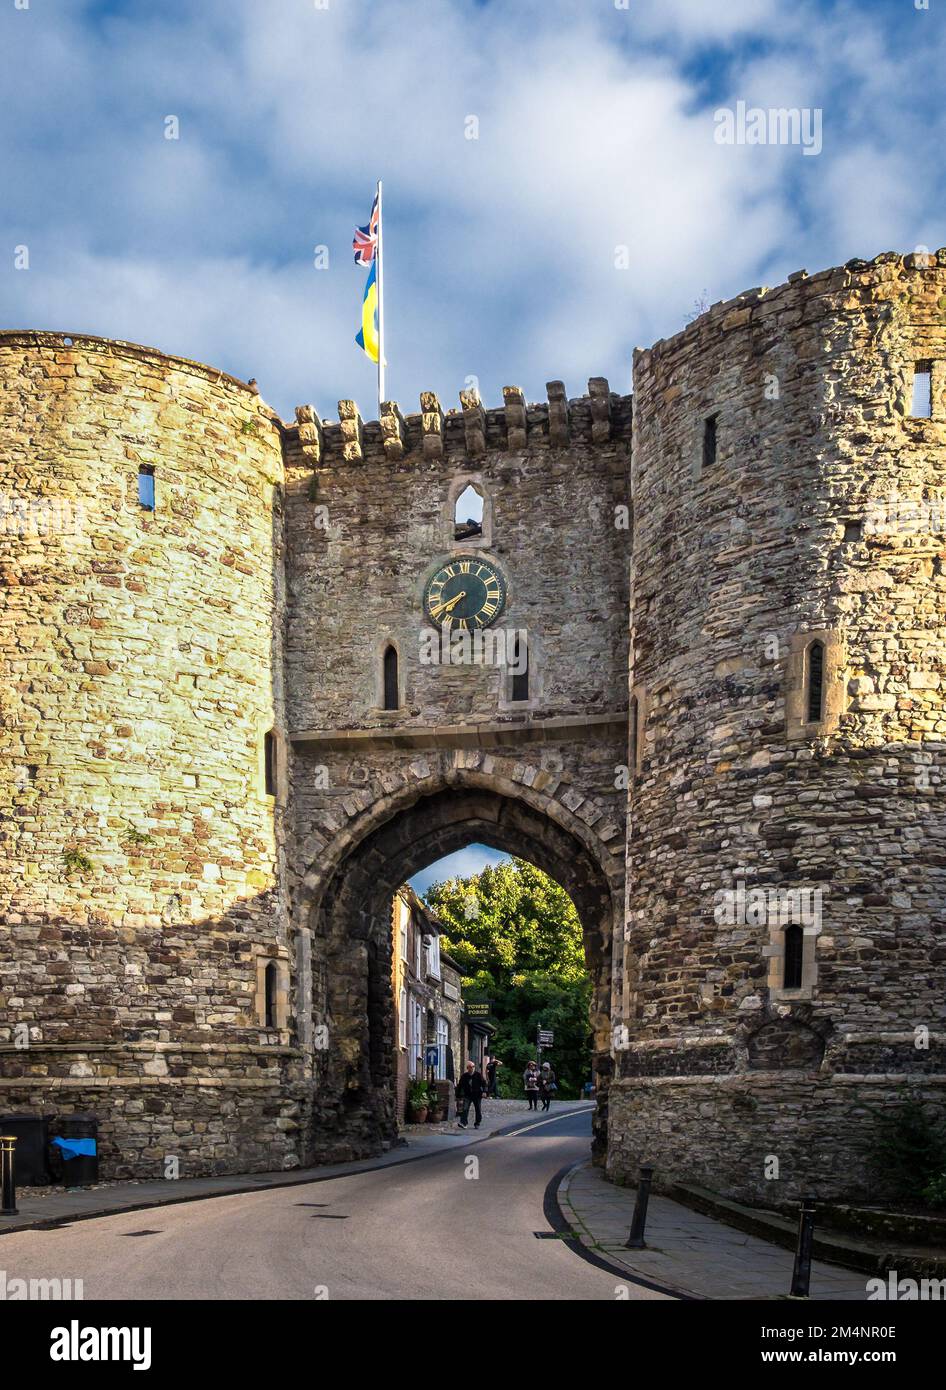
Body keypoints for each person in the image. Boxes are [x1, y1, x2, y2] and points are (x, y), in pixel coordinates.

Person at [455, 1060, 486, 1128]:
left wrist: (484, 1092)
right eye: (470, 1067)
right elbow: (460, 1086)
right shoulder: (464, 1076)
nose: (472, 1068)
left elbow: (484, 1084)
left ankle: (477, 1123)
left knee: (478, 1109)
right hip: (468, 1095)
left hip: (477, 1094)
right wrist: (457, 1095)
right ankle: (464, 1123)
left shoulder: (478, 1075)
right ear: (467, 1068)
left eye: (473, 1067)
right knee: (465, 1108)